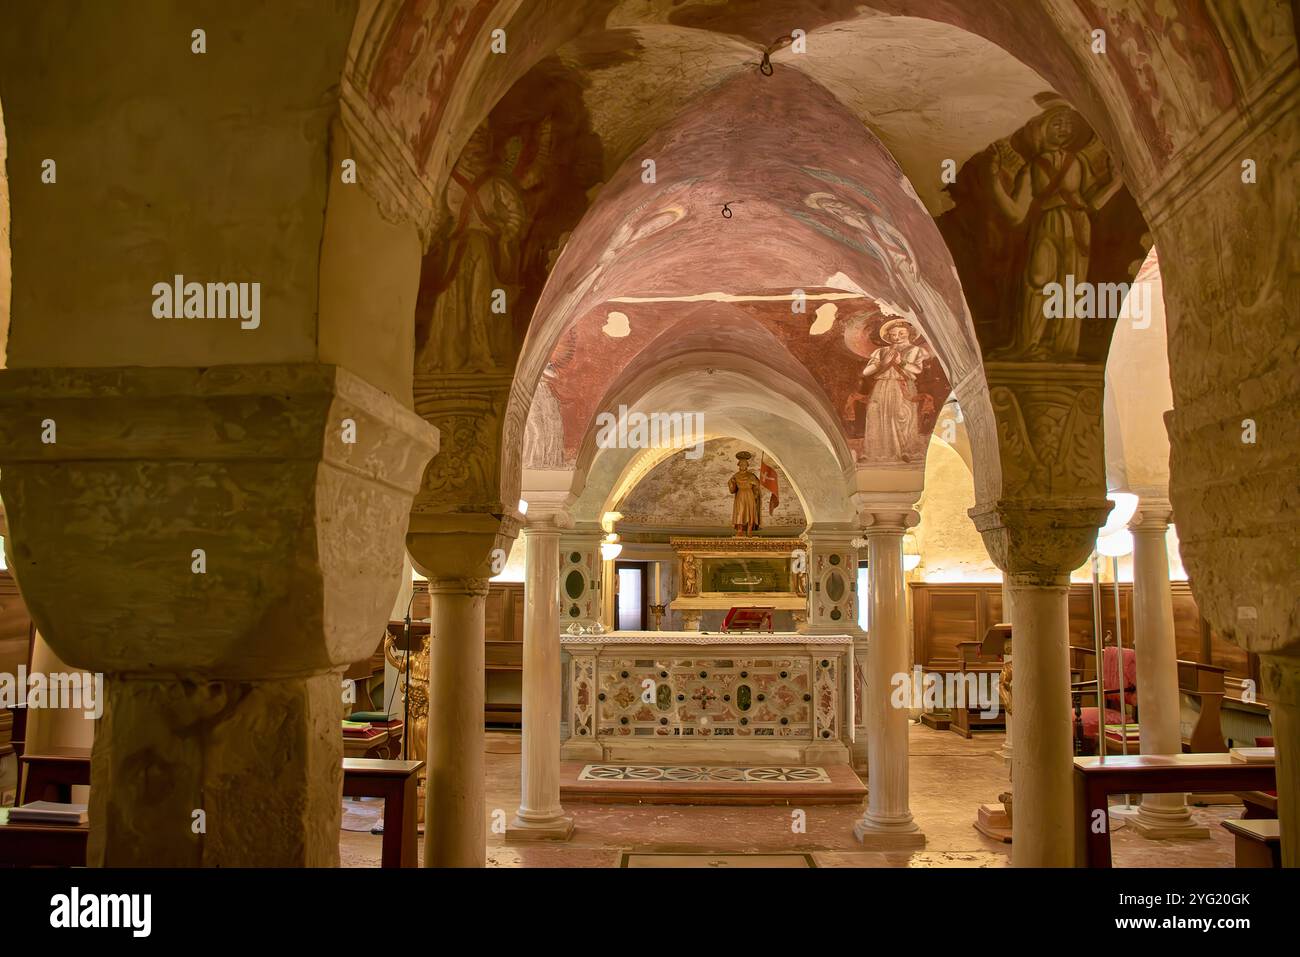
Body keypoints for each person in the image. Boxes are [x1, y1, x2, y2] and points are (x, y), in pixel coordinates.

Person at [854, 319, 931, 464]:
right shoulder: (881, 351)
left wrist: (900, 362)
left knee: (902, 415)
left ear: (910, 334)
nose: (897, 336)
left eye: (901, 333)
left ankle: (904, 450)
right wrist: (883, 363)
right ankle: (874, 452)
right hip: (882, 387)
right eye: (893, 334)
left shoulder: (915, 350)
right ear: (888, 337)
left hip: (902, 386)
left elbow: (917, 370)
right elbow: (866, 371)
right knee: (876, 414)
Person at [727, 452, 763, 536]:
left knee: (750, 511)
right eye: (741, 465)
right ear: (739, 465)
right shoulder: (736, 476)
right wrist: (731, 483)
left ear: (747, 465)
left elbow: (757, 486)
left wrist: (756, 493)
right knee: (740, 511)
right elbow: (732, 489)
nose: (742, 466)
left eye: (744, 465)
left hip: (749, 494)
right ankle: (740, 530)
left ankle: (749, 529)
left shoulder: (751, 475)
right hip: (740, 494)